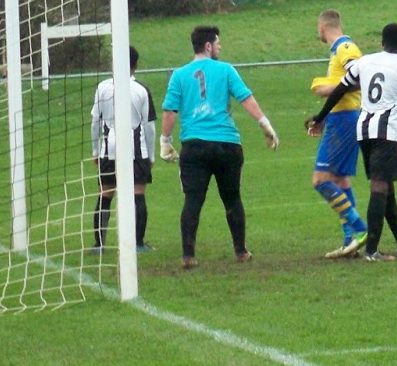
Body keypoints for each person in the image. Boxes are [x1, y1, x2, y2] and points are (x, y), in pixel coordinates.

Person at [161, 26, 280, 270]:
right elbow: (245, 98)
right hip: (227, 144)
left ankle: (188, 255)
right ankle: (240, 251)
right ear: (208, 46)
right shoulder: (226, 70)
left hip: (194, 147)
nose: (220, 47)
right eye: (218, 43)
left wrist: (165, 141)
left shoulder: (179, 75)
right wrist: (264, 123)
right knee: (232, 198)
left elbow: (170, 110)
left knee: (193, 200)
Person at [312, 23, 397, 262]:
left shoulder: (365, 62)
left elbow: (340, 90)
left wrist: (319, 117)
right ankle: (371, 251)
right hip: (386, 134)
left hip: (363, 131)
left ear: (381, 41)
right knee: (379, 187)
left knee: (386, 187)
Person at [306, 10, 370, 257]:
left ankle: (361, 229)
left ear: (322, 28)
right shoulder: (339, 50)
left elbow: (359, 77)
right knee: (341, 180)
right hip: (344, 117)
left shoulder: (345, 48)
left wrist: (325, 87)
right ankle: (349, 241)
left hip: (345, 120)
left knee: (321, 180)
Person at [89, 46, 156, 253]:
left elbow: (94, 122)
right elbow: (149, 126)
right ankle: (138, 244)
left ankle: (99, 245)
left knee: (106, 193)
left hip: (108, 149)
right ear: (135, 65)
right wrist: (151, 155)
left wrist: (95, 151)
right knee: (137, 193)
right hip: (136, 150)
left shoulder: (102, 88)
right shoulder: (141, 90)